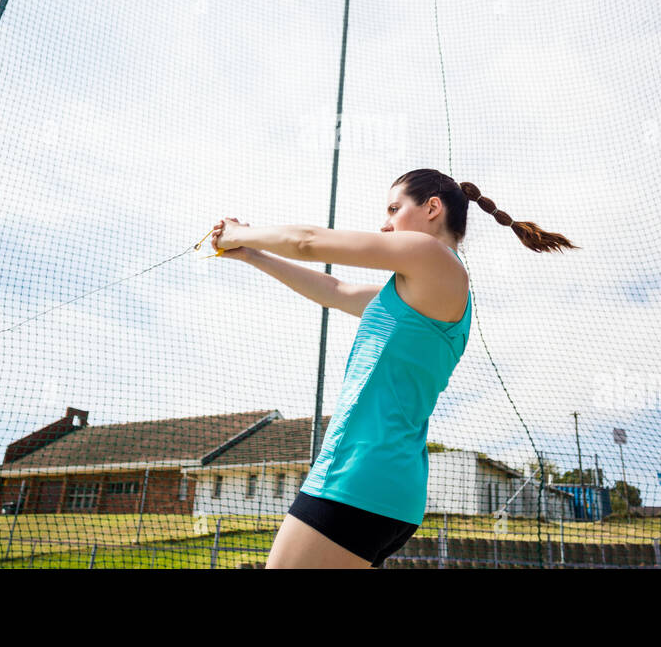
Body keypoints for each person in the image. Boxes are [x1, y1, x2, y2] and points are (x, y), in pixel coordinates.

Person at [210, 168, 577, 568]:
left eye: (394, 208)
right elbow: (335, 292)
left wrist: (238, 233)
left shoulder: (434, 258)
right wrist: (251, 255)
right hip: (383, 488)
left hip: (357, 479)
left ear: (432, 208)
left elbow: (307, 241)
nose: (385, 225)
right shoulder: (416, 293)